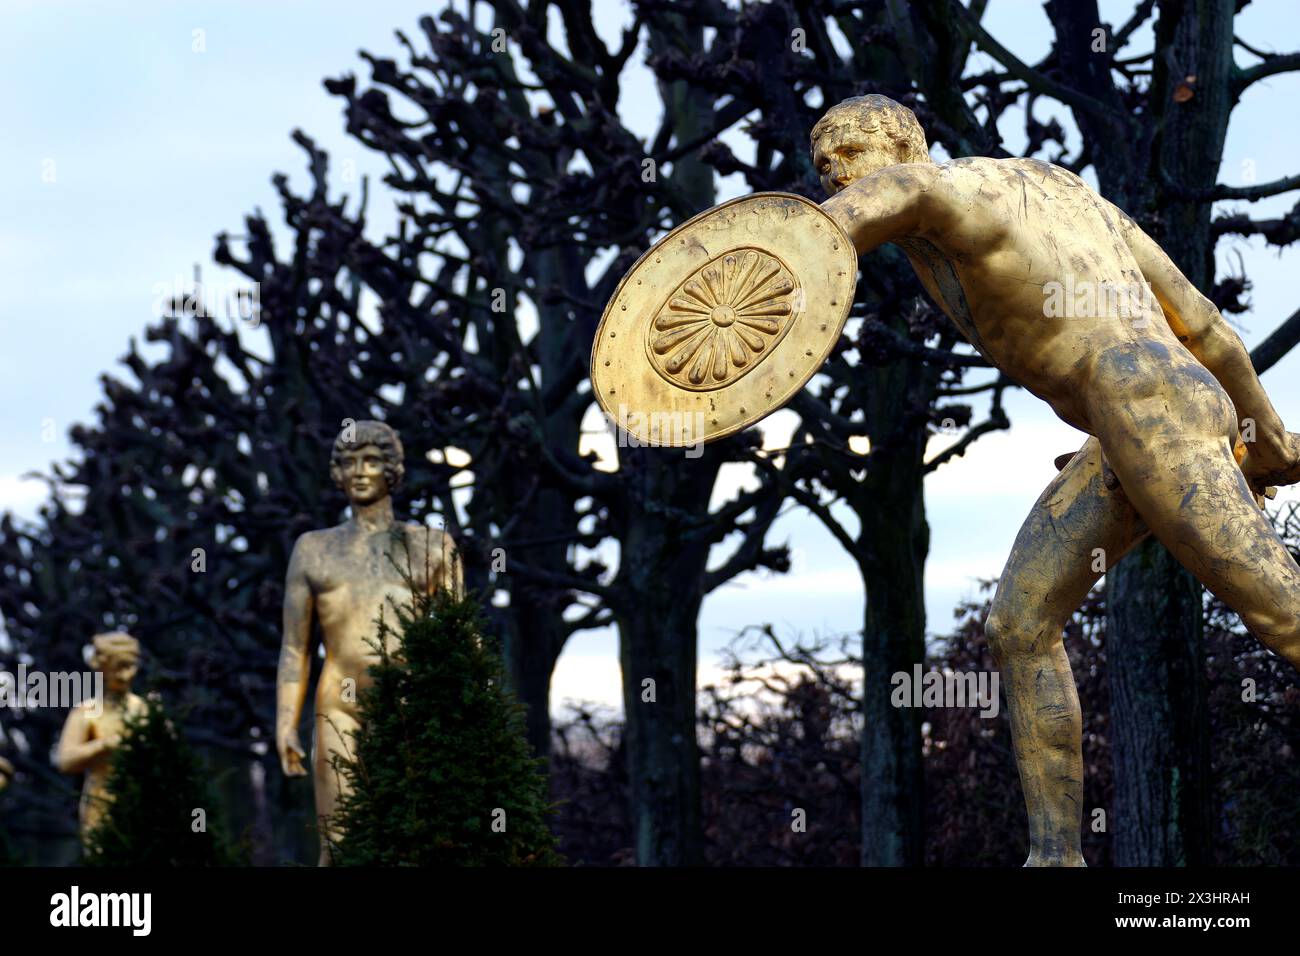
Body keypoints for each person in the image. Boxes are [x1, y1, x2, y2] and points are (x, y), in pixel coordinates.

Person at [812, 94, 1300, 865]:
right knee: (1020, 624)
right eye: (823, 167)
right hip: (1134, 413)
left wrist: (779, 258)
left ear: (904, 144)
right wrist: (1264, 433)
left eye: (849, 155)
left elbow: (865, 210)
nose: (837, 177)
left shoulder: (928, 186)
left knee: (1284, 614)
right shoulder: (1064, 191)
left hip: (1144, 401)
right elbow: (1204, 325)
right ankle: (1055, 858)